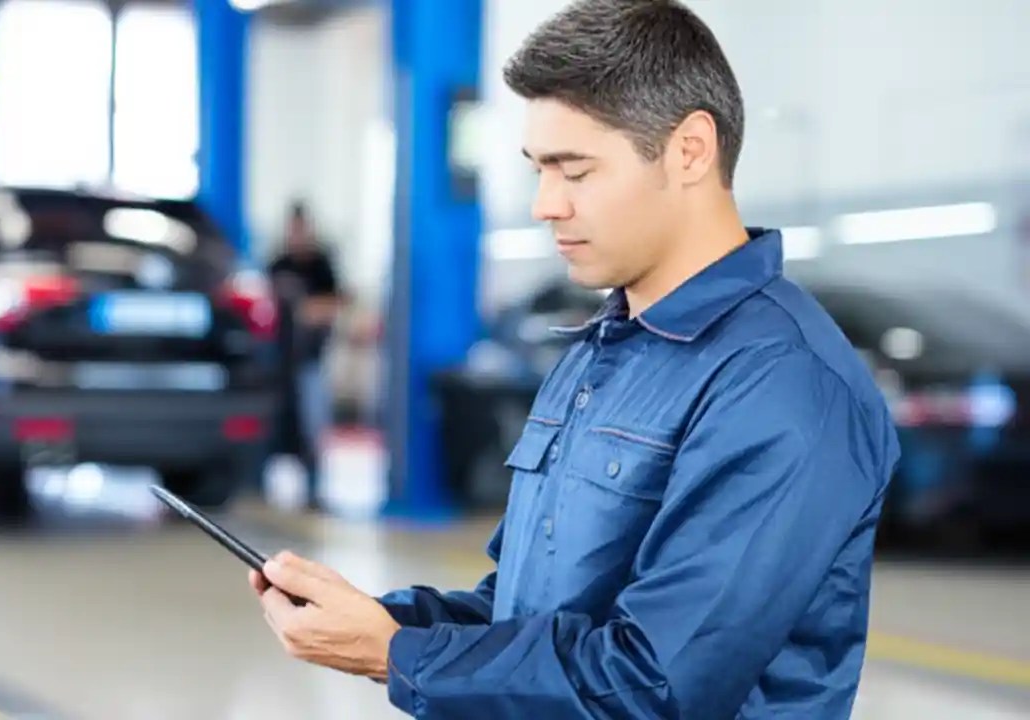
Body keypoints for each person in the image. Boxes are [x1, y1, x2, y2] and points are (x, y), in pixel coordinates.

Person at [247, 1, 900, 717]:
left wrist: (397, 655)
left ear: (689, 150)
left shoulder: (781, 384)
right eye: (538, 171)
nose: (543, 204)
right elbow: (526, 614)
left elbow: (654, 684)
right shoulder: (606, 350)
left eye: (575, 172)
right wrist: (384, 622)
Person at [267, 201, 343, 507]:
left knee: (313, 426)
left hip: (311, 361)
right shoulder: (278, 264)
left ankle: (315, 488)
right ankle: (262, 486)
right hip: (278, 364)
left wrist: (309, 311)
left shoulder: (320, 265)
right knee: (276, 427)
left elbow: (335, 303)